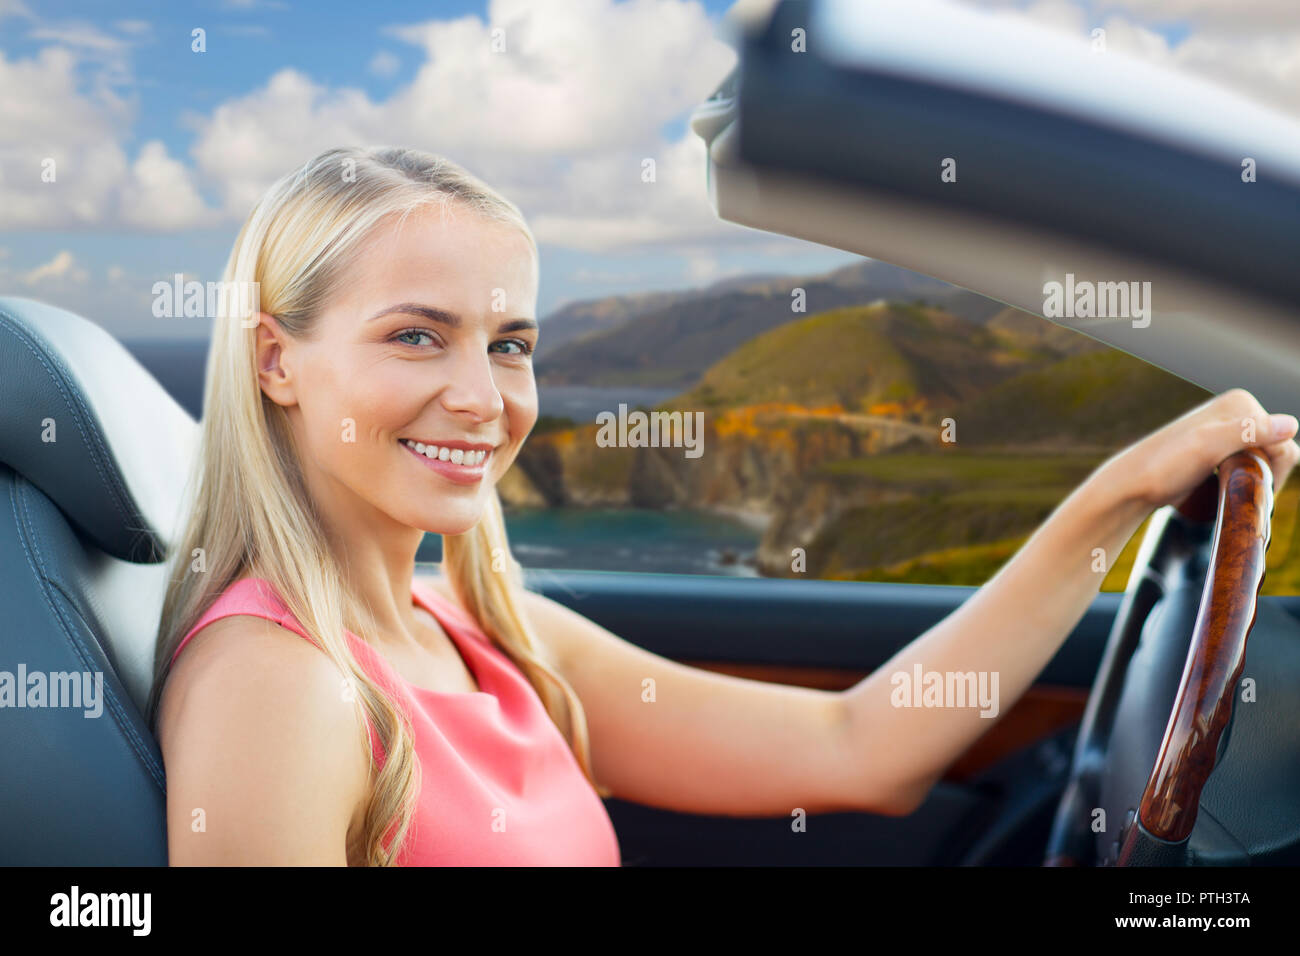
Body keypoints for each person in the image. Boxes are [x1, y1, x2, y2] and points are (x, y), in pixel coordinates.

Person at [150, 145, 1300, 866]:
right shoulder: (278, 684)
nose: (481, 395)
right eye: (416, 334)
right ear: (275, 360)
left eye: (510, 344)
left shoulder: (492, 631)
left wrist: (1112, 496)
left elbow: (860, 748)